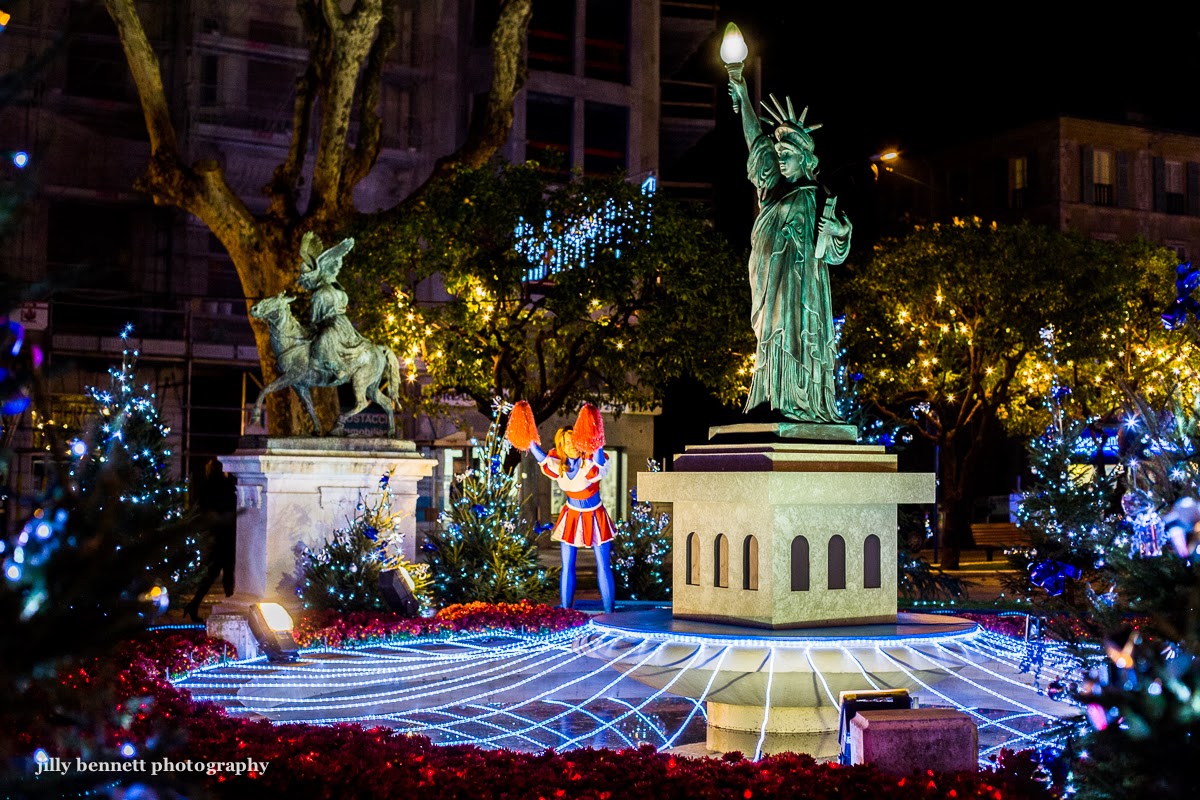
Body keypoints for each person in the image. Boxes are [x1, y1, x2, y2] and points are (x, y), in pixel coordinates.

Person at [726, 68, 853, 423]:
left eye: (788, 152)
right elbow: (756, 143)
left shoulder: (814, 197)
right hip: (769, 280)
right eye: (779, 150)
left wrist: (840, 229)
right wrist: (744, 97)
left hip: (800, 287)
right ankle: (771, 394)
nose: (780, 157)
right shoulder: (773, 190)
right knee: (771, 335)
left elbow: (830, 248)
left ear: (805, 158)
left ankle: (799, 398)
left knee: (792, 333)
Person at [528, 426, 616, 614]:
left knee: (603, 565)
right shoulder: (557, 464)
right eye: (567, 442)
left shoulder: (589, 461)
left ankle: (610, 613)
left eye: (575, 441)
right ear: (561, 445)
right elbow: (538, 454)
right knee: (567, 565)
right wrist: (524, 431)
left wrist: (596, 438)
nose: (572, 446)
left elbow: (600, 464)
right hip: (571, 515)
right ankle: (566, 612)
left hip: (595, 515)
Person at [183, 457, 237, 622]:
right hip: (227, 532)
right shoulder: (225, 485)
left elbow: (202, 509)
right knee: (226, 570)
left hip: (215, 533)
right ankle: (230, 607)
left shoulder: (206, 487)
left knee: (216, 571)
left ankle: (195, 604)